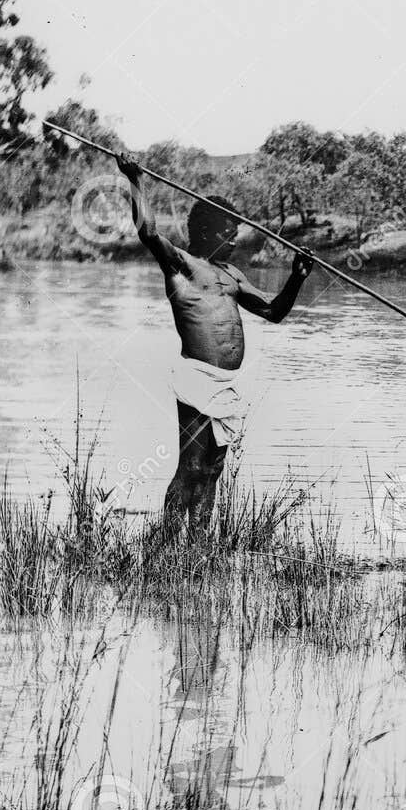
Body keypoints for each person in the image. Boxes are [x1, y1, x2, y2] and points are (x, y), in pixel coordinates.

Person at [118, 154, 316, 537]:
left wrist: (296, 278)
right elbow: (148, 234)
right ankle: (168, 545)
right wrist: (136, 180)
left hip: (227, 384)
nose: (236, 237)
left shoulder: (232, 275)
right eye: (229, 230)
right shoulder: (182, 266)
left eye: (237, 230)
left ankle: (199, 547)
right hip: (196, 377)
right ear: (207, 232)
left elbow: (274, 312)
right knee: (190, 467)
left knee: (212, 470)